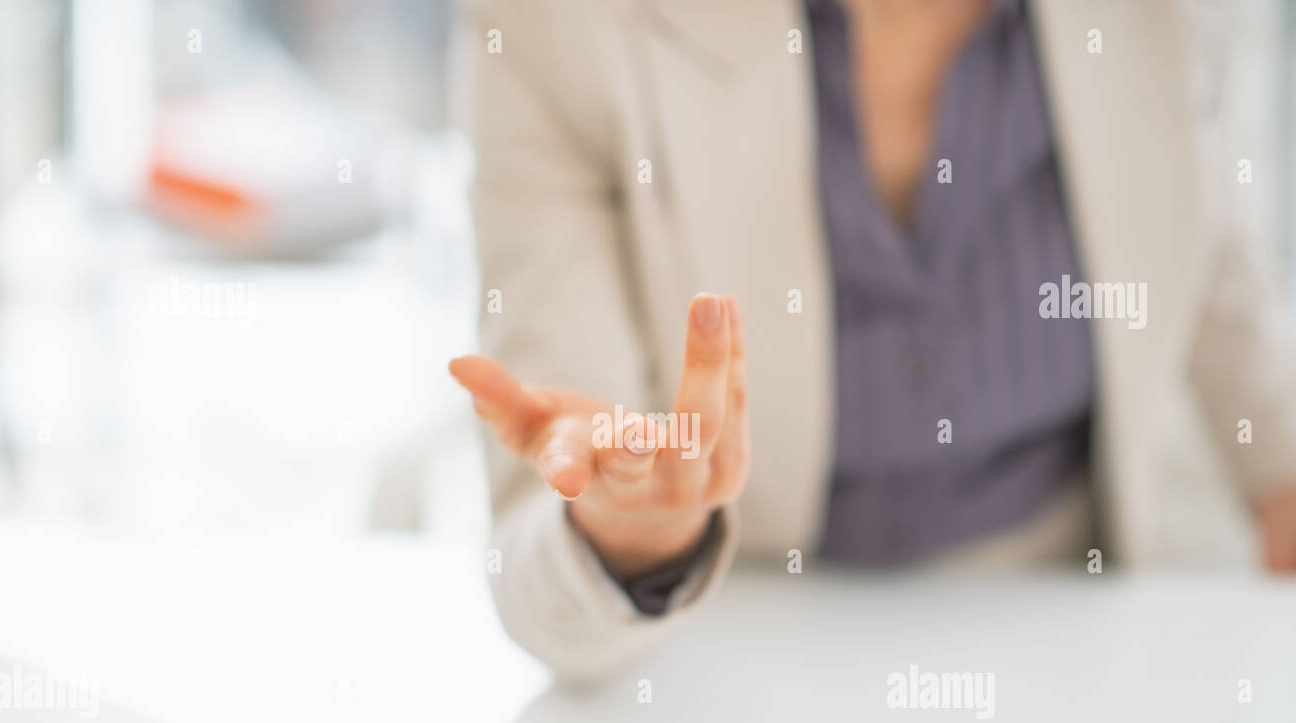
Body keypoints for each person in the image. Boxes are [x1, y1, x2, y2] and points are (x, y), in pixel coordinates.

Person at [450, 0, 1296, 679]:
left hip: (1089, 631)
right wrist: (631, 538)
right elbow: (540, 558)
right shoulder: (552, 23)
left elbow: (1205, 240)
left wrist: (1281, 469)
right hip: (745, 668)